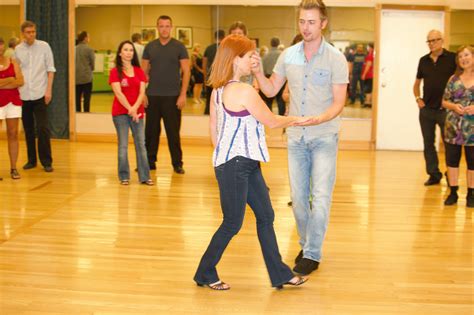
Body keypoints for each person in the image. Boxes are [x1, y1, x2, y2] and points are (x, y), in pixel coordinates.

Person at [194, 34, 310, 291]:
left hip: (242, 163)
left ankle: (279, 274)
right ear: (236, 59)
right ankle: (205, 271)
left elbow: (214, 128)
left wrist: (223, 153)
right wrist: (296, 119)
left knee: (266, 215)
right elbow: (271, 121)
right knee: (232, 222)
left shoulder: (218, 91)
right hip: (236, 164)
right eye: (250, 56)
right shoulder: (243, 91)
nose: (254, 59)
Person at [252, 0, 348, 275]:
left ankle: (312, 253)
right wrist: (259, 71)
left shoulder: (335, 59)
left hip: (324, 137)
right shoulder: (289, 55)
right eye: (302, 22)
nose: (306, 27)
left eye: (312, 22)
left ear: (323, 24)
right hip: (295, 138)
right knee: (297, 196)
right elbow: (270, 90)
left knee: (320, 196)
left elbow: (339, 102)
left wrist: (321, 117)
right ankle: (307, 244)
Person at [141, 15, 190, 174]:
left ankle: (177, 163)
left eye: (167, 26)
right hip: (153, 96)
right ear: (157, 28)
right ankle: (149, 162)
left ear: (171, 27)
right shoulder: (150, 47)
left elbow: (186, 71)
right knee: (151, 132)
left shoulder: (179, 47)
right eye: (161, 26)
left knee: (173, 133)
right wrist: (142, 94)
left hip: (173, 97)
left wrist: (183, 95)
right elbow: (142, 73)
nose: (164, 29)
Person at [413, 30, 457, 186]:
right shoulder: (423, 61)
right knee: (428, 143)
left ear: (442, 41)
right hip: (427, 111)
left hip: (446, 111)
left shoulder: (452, 58)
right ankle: (434, 174)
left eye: (435, 40)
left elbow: (460, 80)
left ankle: (450, 171)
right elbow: (417, 84)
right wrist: (418, 98)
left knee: (450, 144)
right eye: (429, 41)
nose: (432, 43)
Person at [109, 41, 153, 186]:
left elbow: (142, 92)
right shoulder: (115, 72)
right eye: (125, 50)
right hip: (120, 113)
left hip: (137, 113)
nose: (128, 53)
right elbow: (118, 93)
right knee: (123, 145)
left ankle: (145, 176)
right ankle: (124, 176)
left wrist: (134, 109)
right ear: (120, 53)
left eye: (131, 50)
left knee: (141, 144)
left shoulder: (139, 71)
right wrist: (130, 109)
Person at [15, 20, 55, 172]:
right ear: (23, 34)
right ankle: (31, 160)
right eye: (28, 32)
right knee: (28, 129)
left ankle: (46, 161)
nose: (31, 34)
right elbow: (17, 70)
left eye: (33, 31)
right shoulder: (18, 50)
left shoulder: (44, 47)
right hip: (23, 95)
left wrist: (48, 90)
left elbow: (51, 69)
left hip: (40, 94)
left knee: (43, 127)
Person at [441, 45, 474, 207]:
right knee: (452, 160)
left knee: (472, 162)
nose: (463, 59)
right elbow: (444, 101)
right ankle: (453, 192)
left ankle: (471, 194)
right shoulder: (452, 79)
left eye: (466, 55)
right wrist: (454, 107)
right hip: (453, 127)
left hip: (473, 129)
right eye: (460, 57)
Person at [0, 37, 24, 179]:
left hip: (13, 102)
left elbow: (20, 81)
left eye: (1, 46)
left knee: (13, 134)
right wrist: (10, 80)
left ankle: (13, 168)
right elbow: (14, 80)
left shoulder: (13, 62)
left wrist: (4, 82)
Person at [261, 37, 285, 115]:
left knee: (268, 100)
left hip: (268, 78)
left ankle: (269, 116)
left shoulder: (265, 56)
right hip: (281, 78)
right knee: (280, 100)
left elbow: (263, 70)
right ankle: (282, 118)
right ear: (278, 44)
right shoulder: (282, 54)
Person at [203, 29, 225, 115]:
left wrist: (205, 77)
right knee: (222, 99)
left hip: (210, 77)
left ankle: (208, 115)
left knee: (209, 99)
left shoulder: (208, 48)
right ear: (224, 37)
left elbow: (204, 64)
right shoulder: (225, 48)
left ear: (214, 37)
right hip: (222, 78)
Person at [75, 31, 95, 112]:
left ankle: (78, 113)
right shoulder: (89, 49)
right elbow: (92, 64)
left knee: (77, 98)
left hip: (76, 78)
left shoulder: (74, 49)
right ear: (85, 38)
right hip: (87, 78)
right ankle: (86, 114)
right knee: (87, 98)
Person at [361, 43, 374, 108]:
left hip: (369, 75)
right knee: (369, 89)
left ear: (371, 48)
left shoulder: (370, 56)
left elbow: (368, 65)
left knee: (368, 89)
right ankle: (368, 102)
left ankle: (367, 103)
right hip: (370, 75)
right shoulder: (371, 55)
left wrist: (364, 74)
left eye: (368, 47)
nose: (367, 48)